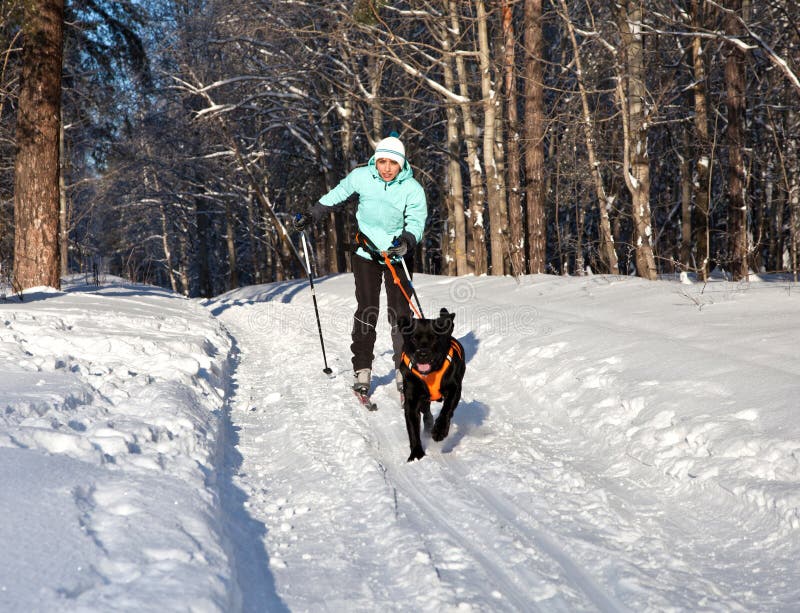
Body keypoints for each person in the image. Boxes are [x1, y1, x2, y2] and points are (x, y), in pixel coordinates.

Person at [293, 133, 427, 395]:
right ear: (375, 161)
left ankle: (404, 367)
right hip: (366, 254)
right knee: (367, 309)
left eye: (393, 163)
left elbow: (416, 221)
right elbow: (338, 194)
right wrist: (311, 214)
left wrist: (407, 241)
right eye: (382, 162)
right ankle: (362, 368)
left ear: (402, 164)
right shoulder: (362, 177)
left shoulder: (412, 189)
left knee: (400, 314)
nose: (387, 168)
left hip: (397, 255)